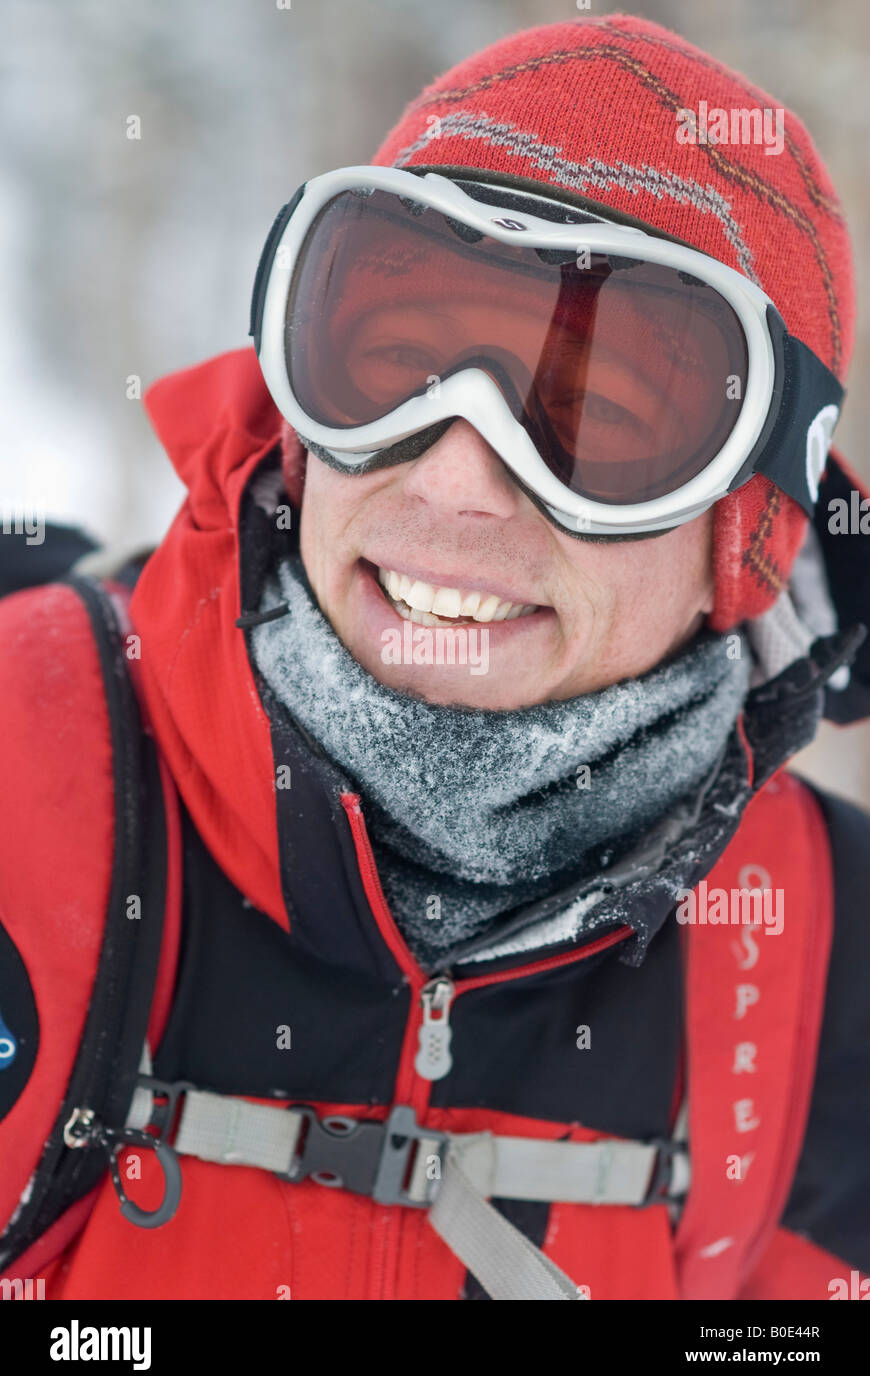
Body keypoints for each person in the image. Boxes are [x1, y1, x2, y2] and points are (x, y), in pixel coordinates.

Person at [1, 13, 868, 1302]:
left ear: (745, 542)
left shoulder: (820, 981)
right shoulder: (22, 777)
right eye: (397, 367)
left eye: (598, 417)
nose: (457, 478)